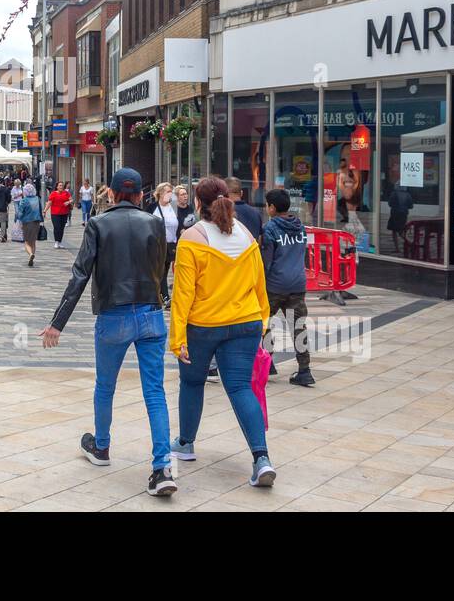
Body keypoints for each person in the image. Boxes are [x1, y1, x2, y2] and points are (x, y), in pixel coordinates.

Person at [39, 167, 176, 497]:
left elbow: (80, 275)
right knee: (155, 391)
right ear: (141, 196)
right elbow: (161, 270)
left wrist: (57, 322)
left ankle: (102, 447)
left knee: (106, 385)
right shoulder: (154, 223)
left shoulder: (98, 224)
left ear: (111, 194)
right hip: (150, 313)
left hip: (113, 315)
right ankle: (161, 467)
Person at [169, 176, 276, 487]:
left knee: (191, 383)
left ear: (198, 203)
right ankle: (261, 458)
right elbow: (260, 283)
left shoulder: (191, 237)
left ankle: (186, 443)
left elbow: (183, 294)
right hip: (246, 322)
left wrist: (177, 338)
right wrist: (263, 320)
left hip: (203, 325)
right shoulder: (245, 234)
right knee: (241, 388)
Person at [262, 188, 314, 387]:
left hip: (275, 285)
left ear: (272, 208)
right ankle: (305, 370)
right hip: (297, 284)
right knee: (298, 327)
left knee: (263, 323)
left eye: (267, 205)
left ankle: (268, 362)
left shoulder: (270, 229)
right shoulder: (300, 226)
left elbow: (267, 261)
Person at [18, 183, 43, 267]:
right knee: (33, 241)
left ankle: (30, 254)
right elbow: (40, 210)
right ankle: (32, 255)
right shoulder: (37, 199)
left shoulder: (24, 200)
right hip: (36, 222)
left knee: (27, 241)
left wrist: (18, 220)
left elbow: (20, 213)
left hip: (27, 222)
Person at [48, 181, 73, 249]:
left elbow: (71, 200)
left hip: (64, 213)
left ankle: (60, 242)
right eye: (60, 185)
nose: (61, 187)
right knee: (57, 227)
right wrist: (44, 211)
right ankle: (56, 241)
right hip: (55, 213)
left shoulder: (66, 193)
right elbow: (49, 203)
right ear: (57, 187)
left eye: (62, 185)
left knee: (62, 228)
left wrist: (68, 202)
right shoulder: (53, 194)